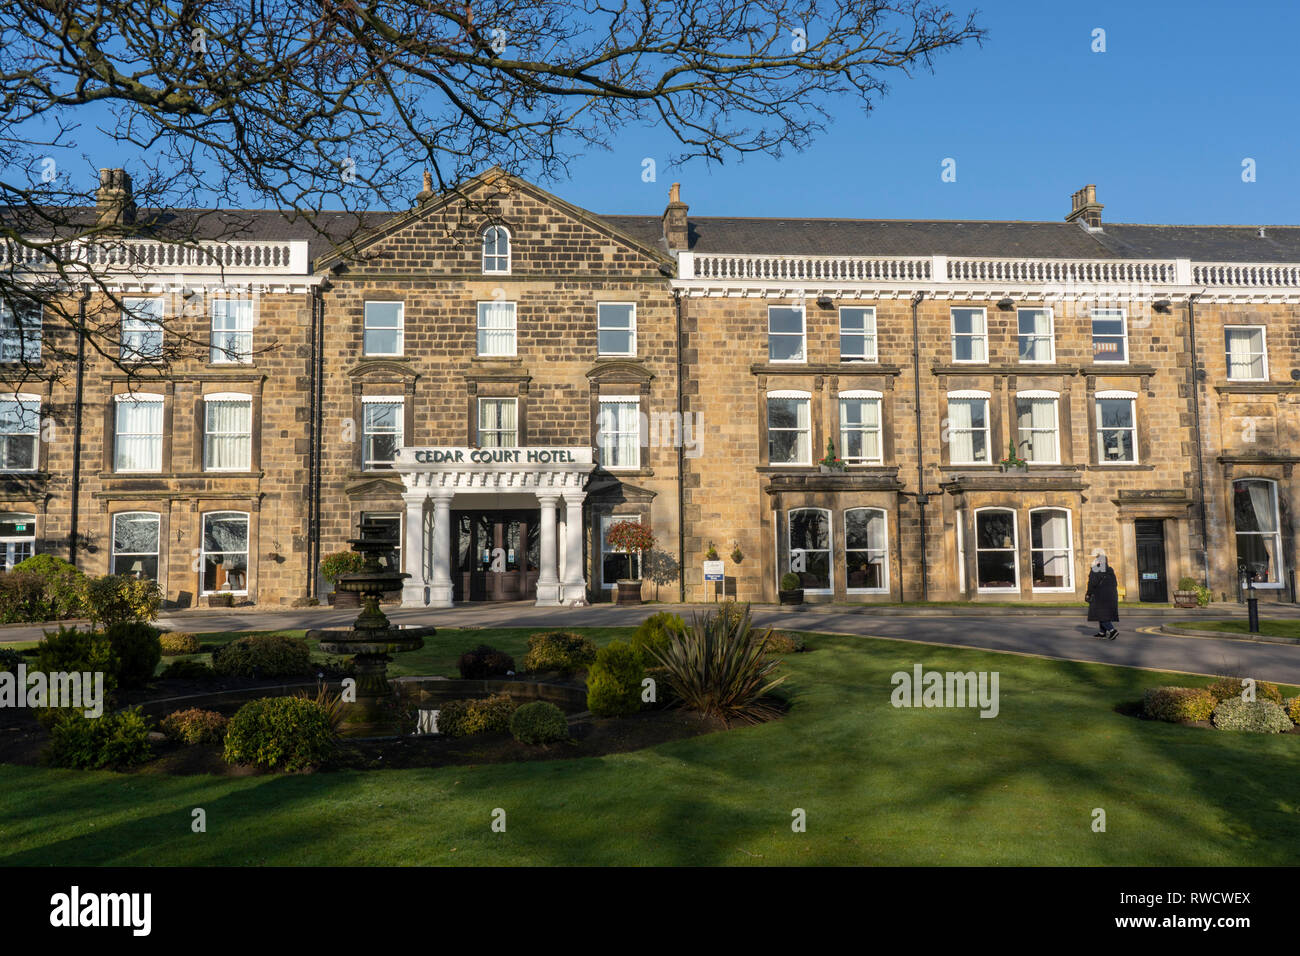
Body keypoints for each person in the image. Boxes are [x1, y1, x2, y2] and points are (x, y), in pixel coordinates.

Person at [1086, 550, 1119, 639]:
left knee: (1100, 613)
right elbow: (1115, 583)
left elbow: (1092, 584)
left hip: (1099, 596)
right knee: (1103, 613)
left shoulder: (1095, 569)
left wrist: (1088, 594)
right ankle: (1102, 632)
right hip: (1111, 596)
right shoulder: (1110, 570)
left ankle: (1112, 630)